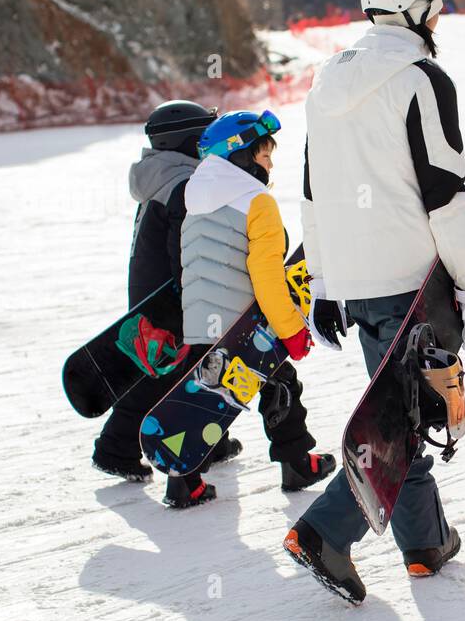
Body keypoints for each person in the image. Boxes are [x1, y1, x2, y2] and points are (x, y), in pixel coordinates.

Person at [282, 0, 465, 604]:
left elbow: (312, 194)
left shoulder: (324, 81)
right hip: (411, 279)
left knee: (402, 411)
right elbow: (446, 195)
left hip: (353, 281)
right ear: (411, 5)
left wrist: (317, 283)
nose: (440, 17)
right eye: (436, 4)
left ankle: (425, 544)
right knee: (398, 423)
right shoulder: (424, 80)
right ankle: (323, 531)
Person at [171, 109, 335, 508]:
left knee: (203, 401)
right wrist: (291, 330)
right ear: (239, 155)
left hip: (199, 321)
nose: (270, 164)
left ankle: (183, 480)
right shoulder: (256, 202)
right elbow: (266, 276)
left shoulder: (194, 202)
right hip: (243, 324)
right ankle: (297, 463)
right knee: (281, 386)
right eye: (264, 156)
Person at [93, 100, 239, 482]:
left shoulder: (162, 175)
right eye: (205, 135)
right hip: (171, 294)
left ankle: (212, 440)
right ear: (189, 141)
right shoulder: (183, 184)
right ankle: (116, 449)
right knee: (161, 375)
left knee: (191, 368)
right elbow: (184, 249)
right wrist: (195, 293)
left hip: (152, 289)